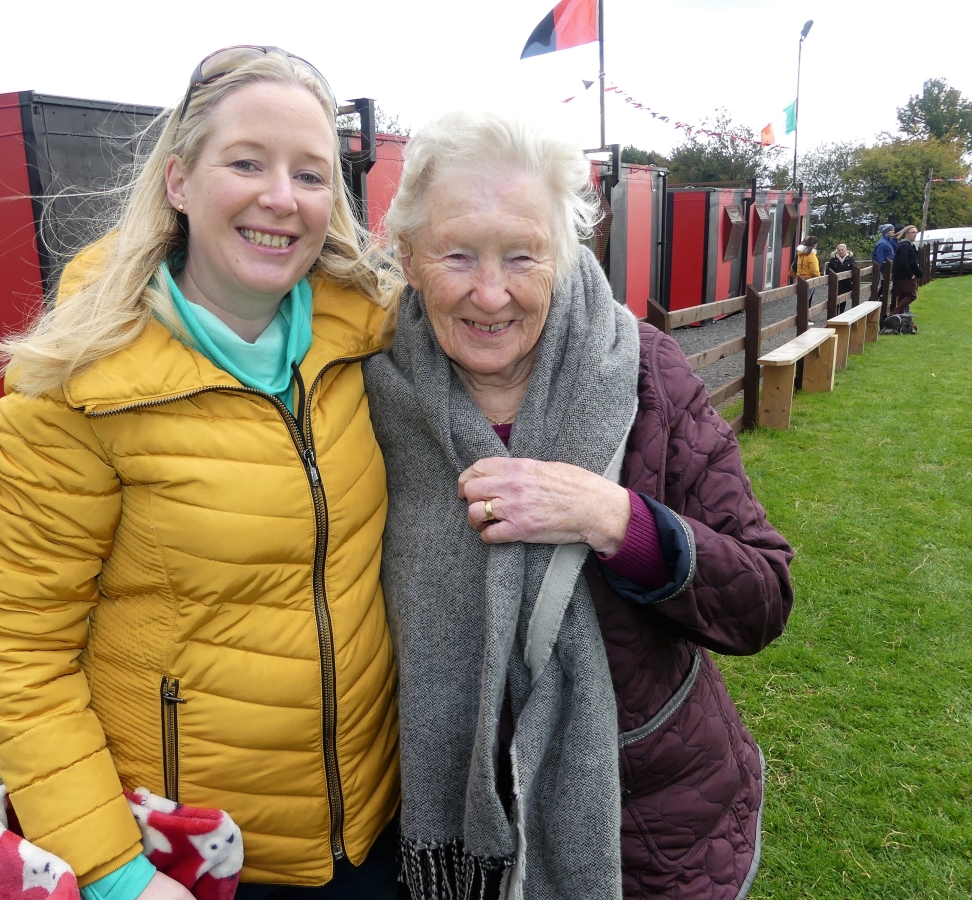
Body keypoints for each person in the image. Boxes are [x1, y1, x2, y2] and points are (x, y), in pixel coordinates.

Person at [0, 49, 402, 900]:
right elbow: (22, 651)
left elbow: (500, 299)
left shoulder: (371, 339)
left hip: (374, 828)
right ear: (178, 182)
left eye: (310, 174)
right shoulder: (77, 388)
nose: (281, 197)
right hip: (196, 860)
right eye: (246, 162)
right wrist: (115, 874)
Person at [364, 111, 794, 900]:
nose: (490, 293)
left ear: (563, 257)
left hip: (650, 828)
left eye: (523, 255)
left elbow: (762, 599)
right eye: (457, 254)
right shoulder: (367, 397)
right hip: (450, 826)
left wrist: (615, 520)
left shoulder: (643, 373)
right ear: (409, 258)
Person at [890, 225, 924, 316]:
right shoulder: (904, 246)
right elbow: (903, 262)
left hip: (902, 276)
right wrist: (910, 275)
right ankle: (895, 313)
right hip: (904, 277)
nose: (915, 234)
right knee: (911, 295)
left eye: (916, 232)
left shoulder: (907, 245)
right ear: (906, 234)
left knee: (902, 297)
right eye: (913, 232)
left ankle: (900, 318)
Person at [825, 243, 856, 312]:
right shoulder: (833, 260)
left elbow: (855, 271)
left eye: (842, 250)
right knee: (834, 298)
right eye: (839, 250)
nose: (841, 251)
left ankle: (841, 312)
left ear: (846, 250)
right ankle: (834, 313)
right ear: (837, 251)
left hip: (846, 283)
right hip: (836, 283)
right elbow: (829, 271)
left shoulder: (850, 259)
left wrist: (852, 281)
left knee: (843, 299)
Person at [873, 223, 897, 309]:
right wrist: (883, 271)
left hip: (888, 269)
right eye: (891, 230)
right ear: (886, 232)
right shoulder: (882, 243)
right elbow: (880, 259)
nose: (893, 231)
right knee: (882, 288)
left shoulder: (888, 241)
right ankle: (874, 302)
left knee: (884, 288)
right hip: (884, 270)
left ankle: (879, 303)